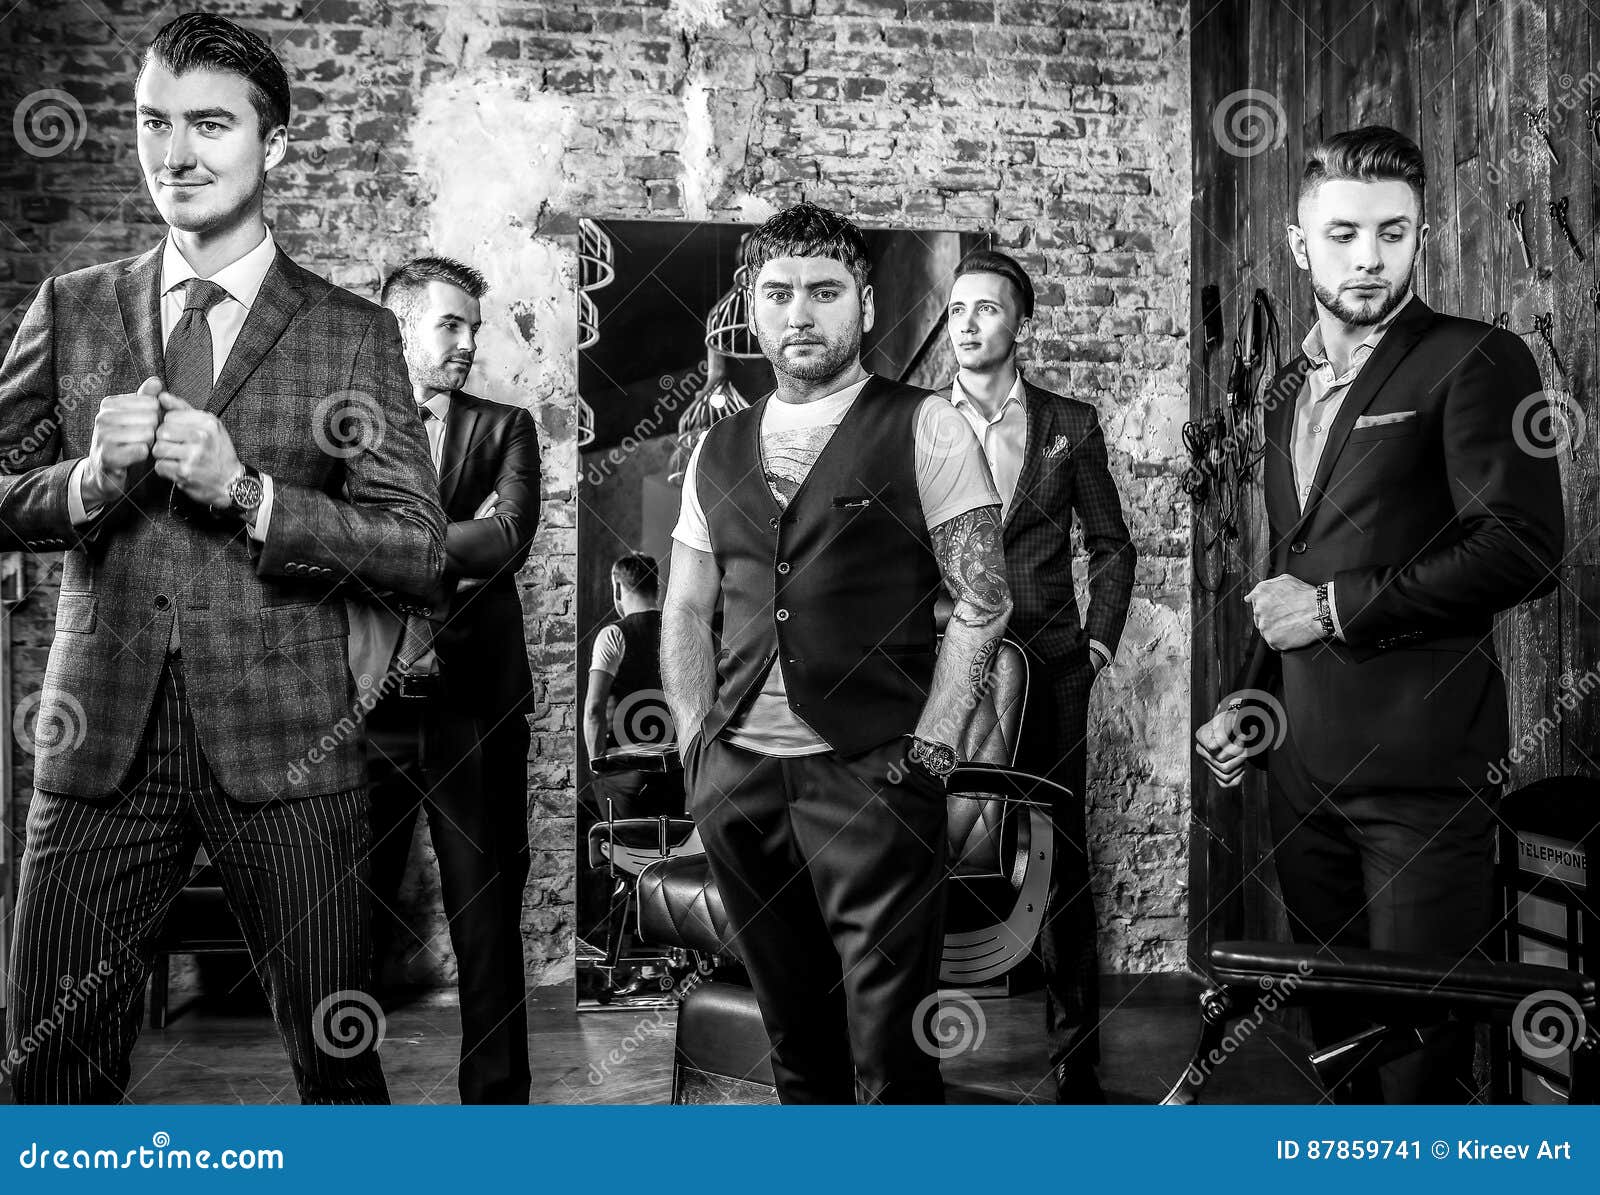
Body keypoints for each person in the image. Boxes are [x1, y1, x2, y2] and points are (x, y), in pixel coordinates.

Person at [0, 12, 444, 1104]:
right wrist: (87, 484)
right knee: (49, 1068)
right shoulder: (73, 307)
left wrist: (249, 494)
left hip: (287, 747)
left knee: (336, 1070)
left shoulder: (350, 332)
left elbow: (417, 548)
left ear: (273, 144)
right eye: (154, 122)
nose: (176, 153)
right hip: (99, 742)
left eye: (209, 124)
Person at [1193, 126, 1564, 1103]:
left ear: (1420, 236)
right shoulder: (1287, 396)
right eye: (1343, 232)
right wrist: (1246, 699)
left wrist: (1332, 608)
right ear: (1299, 243)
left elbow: (1523, 548)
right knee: (1341, 1052)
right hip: (1299, 778)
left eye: (1391, 233)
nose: (1368, 256)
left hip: (1422, 783)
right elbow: (1290, 563)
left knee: (1414, 1065)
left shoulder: (1476, 359)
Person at [661, 202, 1011, 1104]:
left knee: (893, 1062)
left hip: (872, 779)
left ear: (864, 303)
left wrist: (931, 749)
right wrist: (697, 743)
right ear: (752, 307)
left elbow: (983, 599)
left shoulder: (925, 424)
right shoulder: (716, 446)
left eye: (825, 291)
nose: (801, 313)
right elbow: (687, 605)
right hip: (741, 784)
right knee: (797, 1050)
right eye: (779, 293)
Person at [939, 248, 1135, 1103]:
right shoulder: (918, 422)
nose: (969, 323)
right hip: (950, 676)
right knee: (931, 845)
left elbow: (1113, 545)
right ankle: (915, 1054)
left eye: (987, 308)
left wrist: (1097, 646)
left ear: (1021, 321)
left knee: (1058, 855)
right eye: (957, 309)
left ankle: (1076, 1058)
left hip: (1054, 668)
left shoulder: (1069, 423)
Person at [366, 255, 541, 1104]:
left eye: (474, 325)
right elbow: (310, 542)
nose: (469, 341)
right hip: (364, 709)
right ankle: (342, 1103)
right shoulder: (347, 425)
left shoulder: (506, 427)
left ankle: (497, 1109)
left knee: (486, 915)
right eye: (451, 324)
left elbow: (508, 537)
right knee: (346, 916)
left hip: (476, 705)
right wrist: (446, 543)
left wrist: (379, 544)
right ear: (401, 327)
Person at [583, 553, 676, 820]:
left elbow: (594, 709)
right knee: (667, 842)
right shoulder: (679, 631)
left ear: (617, 588)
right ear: (657, 588)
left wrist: (598, 766)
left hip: (624, 773)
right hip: (674, 770)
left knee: (624, 844)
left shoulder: (613, 635)